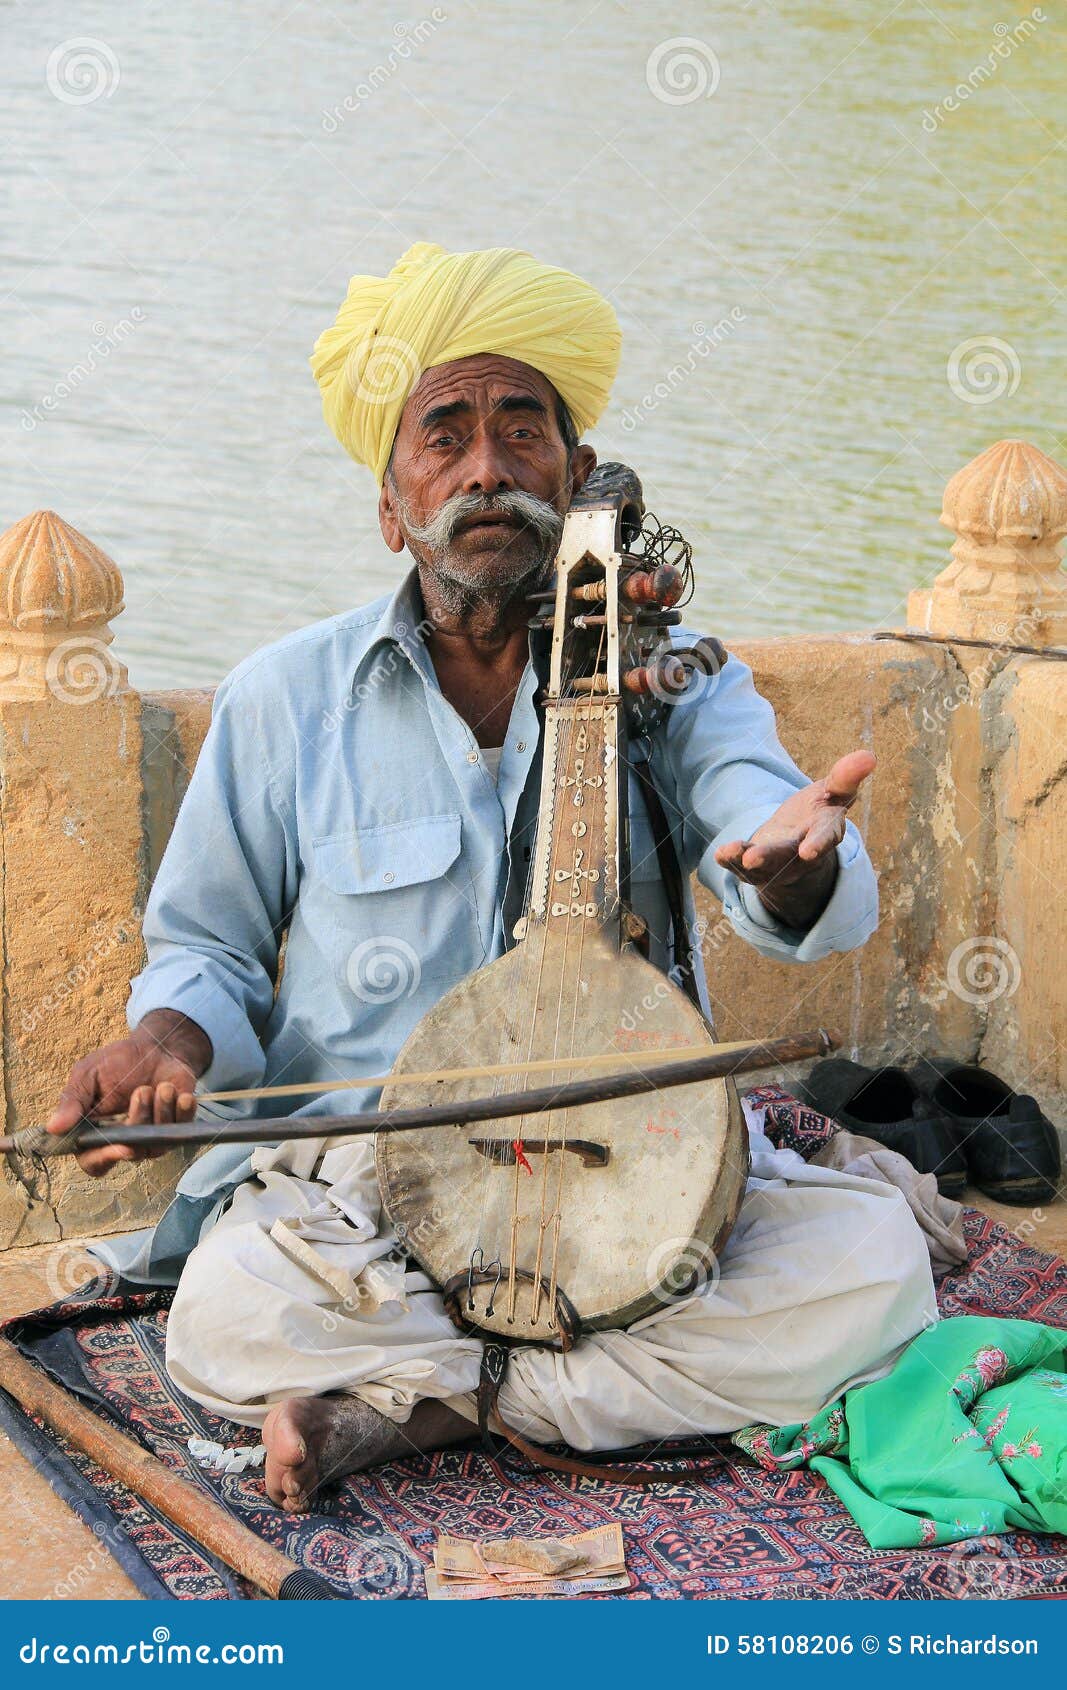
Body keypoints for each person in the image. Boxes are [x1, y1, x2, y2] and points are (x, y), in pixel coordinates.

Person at [49, 243, 936, 1511]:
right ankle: (551, 1384)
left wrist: (785, 863)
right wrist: (166, 1037)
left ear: (574, 482)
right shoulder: (283, 700)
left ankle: (413, 1411)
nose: (485, 465)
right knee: (229, 1315)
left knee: (868, 1265)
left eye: (523, 431)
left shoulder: (668, 676)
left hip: (628, 1162)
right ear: (390, 504)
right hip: (366, 1180)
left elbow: (765, 824)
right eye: (444, 435)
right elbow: (212, 949)